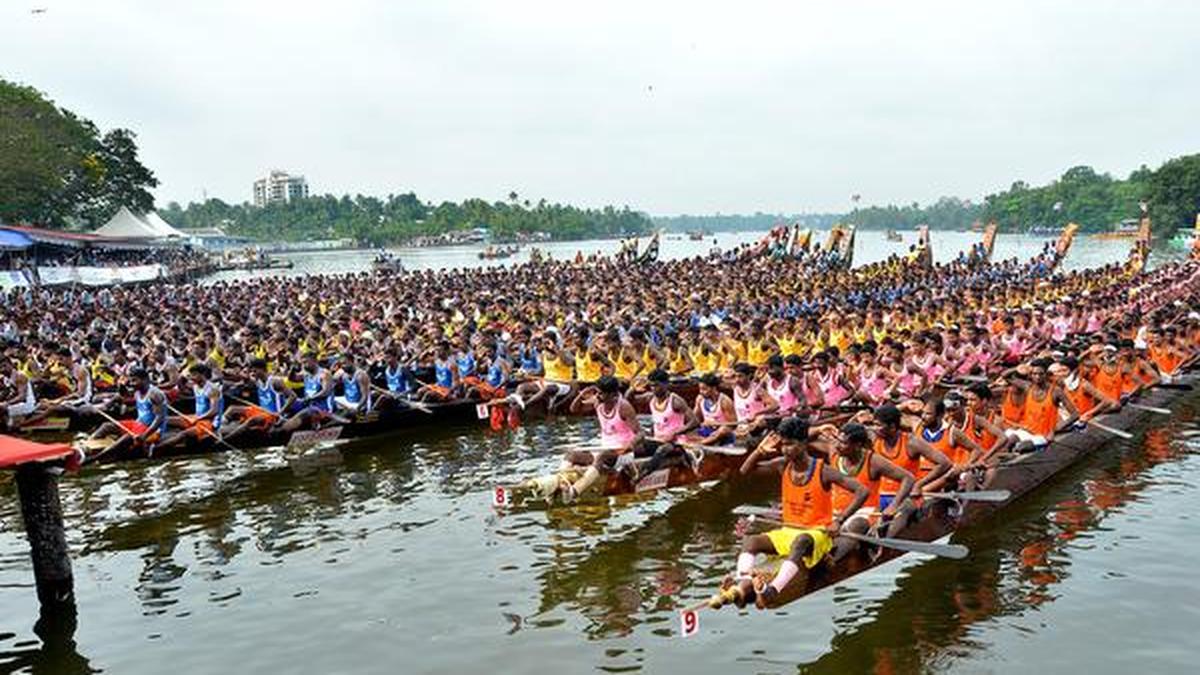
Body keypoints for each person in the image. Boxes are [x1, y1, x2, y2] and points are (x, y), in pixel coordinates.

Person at [712, 417, 868, 609]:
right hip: (788, 530)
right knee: (750, 541)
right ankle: (743, 581)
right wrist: (759, 452)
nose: (785, 449)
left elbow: (862, 491)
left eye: (790, 444)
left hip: (817, 534)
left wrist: (840, 520)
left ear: (803, 443)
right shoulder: (782, 465)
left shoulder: (823, 471)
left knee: (800, 541)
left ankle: (772, 591)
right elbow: (745, 471)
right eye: (783, 444)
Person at [84, 367, 167, 459]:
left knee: (127, 438)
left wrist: (144, 435)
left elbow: (159, 418)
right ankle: (87, 445)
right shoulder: (137, 391)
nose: (132, 384)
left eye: (135, 380)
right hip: (138, 424)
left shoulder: (155, 394)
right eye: (131, 381)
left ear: (145, 379)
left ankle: (95, 457)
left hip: (153, 431)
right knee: (106, 426)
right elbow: (123, 395)